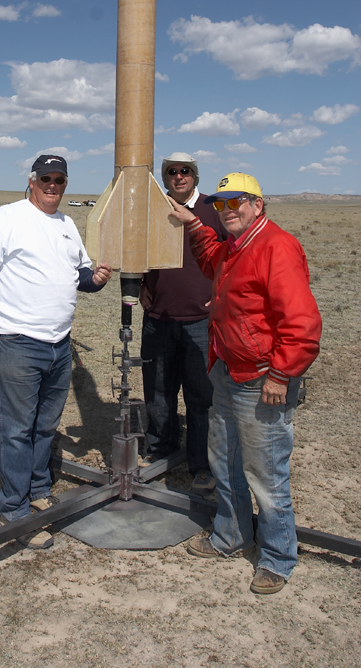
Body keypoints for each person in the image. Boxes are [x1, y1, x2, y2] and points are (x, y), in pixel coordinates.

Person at [168, 172, 321, 594]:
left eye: (237, 202)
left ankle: (277, 557)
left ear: (258, 203)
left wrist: (281, 373)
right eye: (221, 204)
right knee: (225, 462)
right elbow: (212, 259)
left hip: (262, 379)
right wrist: (196, 226)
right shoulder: (236, 247)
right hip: (228, 371)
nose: (228, 210)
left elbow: (302, 322)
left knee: (265, 473)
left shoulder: (276, 246)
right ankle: (232, 535)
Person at [0, 155, 112, 548]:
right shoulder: (7, 218)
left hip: (59, 345)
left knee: (46, 425)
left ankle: (39, 488)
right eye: (45, 178)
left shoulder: (66, 225)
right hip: (18, 341)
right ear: (32, 181)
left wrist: (94, 280)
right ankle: (14, 509)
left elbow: (78, 275)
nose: (52, 185)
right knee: (15, 430)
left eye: (59, 179)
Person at [140, 153, 227, 494]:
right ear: (165, 177)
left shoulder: (213, 210)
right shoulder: (152, 210)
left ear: (195, 176)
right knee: (158, 391)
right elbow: (135, 249)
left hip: (201, 321)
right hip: (158, 318)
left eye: (185, 171)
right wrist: (136, 288)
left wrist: (221, 293)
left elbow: (231, 255)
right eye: (172, 172)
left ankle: (201, 464)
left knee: (201, 397)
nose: (179, 176)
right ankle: (161, 450)